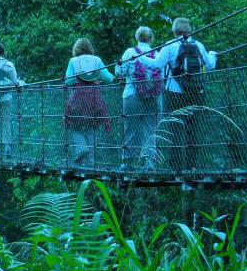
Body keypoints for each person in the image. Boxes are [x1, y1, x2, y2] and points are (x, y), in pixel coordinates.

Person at [136, 17, 217, 172]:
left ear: (175, 31)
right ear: (189, 30)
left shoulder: (170, 46)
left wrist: (139, 58)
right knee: (193, 129)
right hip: (196, 92)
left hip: (175, 93)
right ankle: (192, 166)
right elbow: (210, 65)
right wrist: (213, 54)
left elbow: (156, 65)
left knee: (175, 127)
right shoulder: (198, 45)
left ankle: (176, 166)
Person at [115, 26, 164, 170]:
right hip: (154, 96)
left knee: (131, 128)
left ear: (136, 38)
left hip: (132, 94)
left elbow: (120, 72)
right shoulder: (157, 54)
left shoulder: (130, 52)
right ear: (151, 39)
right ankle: (150, 164)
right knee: (151, 129)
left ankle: (128, 162)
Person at [64, 38, 115, 165]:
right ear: (90, 48)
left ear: (76, 49)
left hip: (78, 98)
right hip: (94, 99)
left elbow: (68, 81)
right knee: (92, 127)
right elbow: (108, 79)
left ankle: (81, 148)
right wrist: (114, 77)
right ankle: (91, 163)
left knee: (74, 125)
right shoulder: (97, 60)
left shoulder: (73, 61)